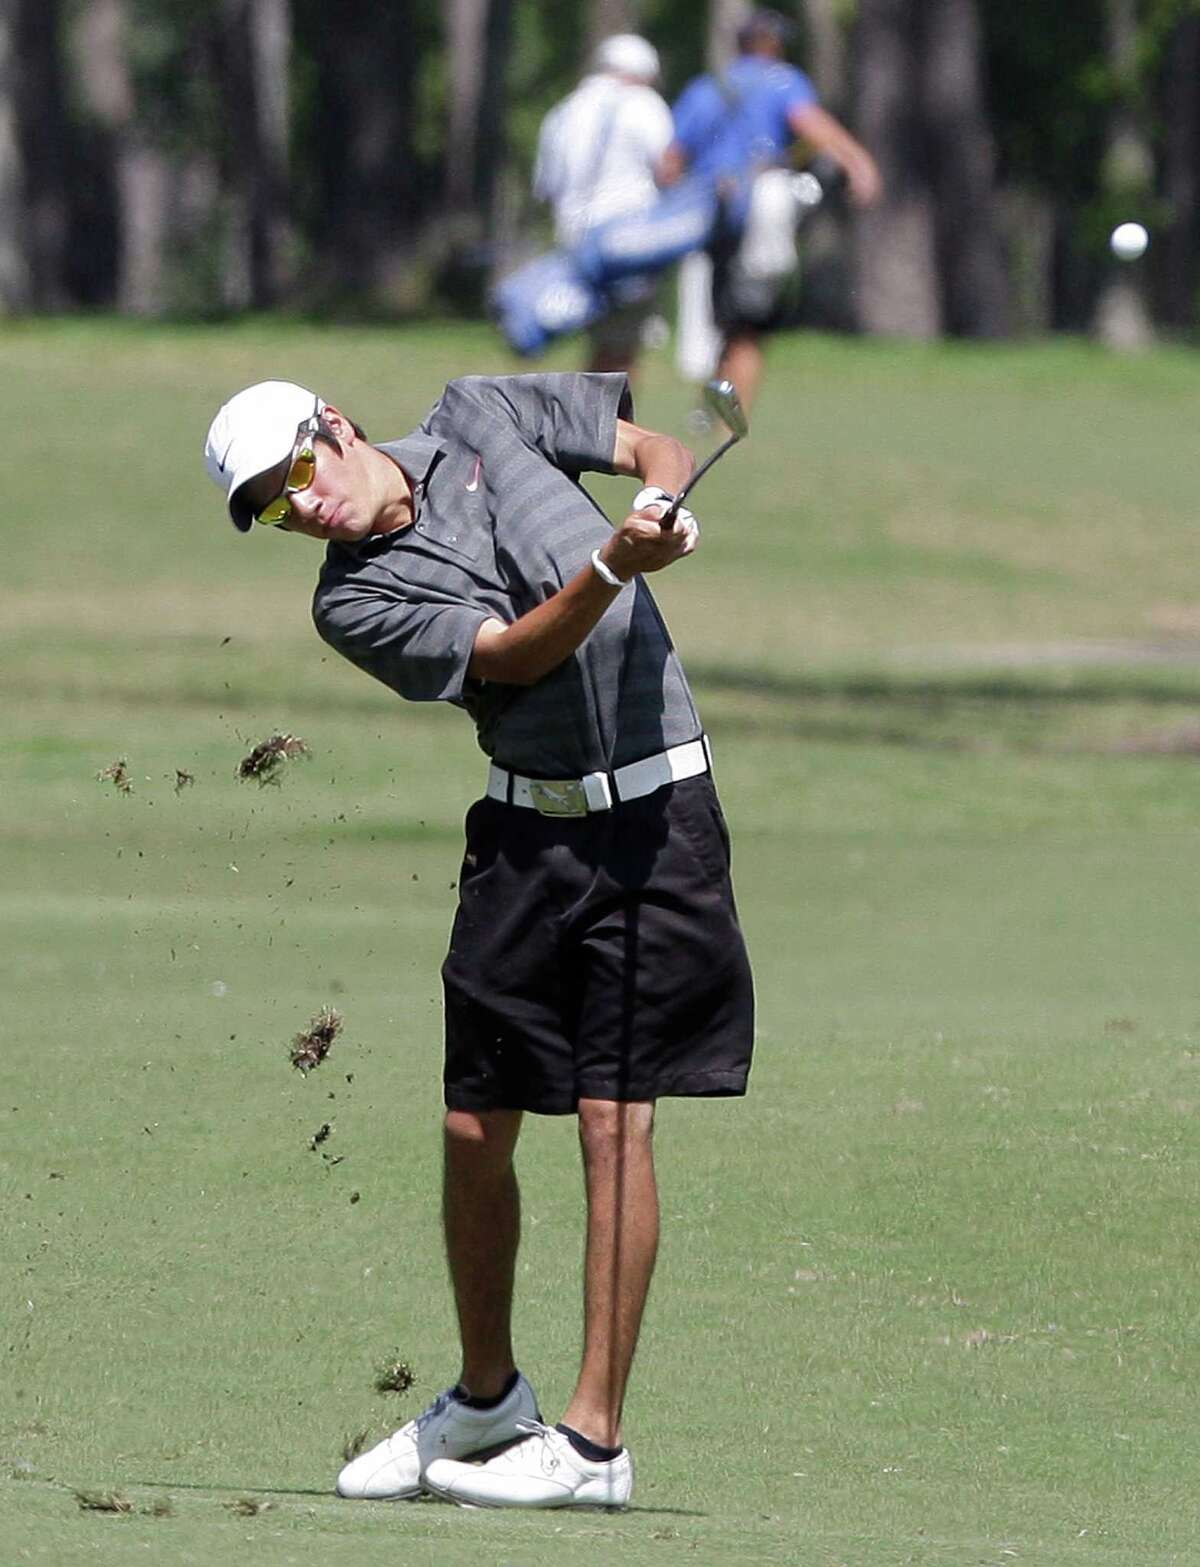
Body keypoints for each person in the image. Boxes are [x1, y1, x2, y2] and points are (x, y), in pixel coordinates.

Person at [202, 371, 755, 1510]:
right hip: (523, 829)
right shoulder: (349, 603)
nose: (299, 508)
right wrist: (615, 565)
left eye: (297, 473)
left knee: (613, 1115)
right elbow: (511, 656)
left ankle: (595, 1446)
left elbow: (654, 442)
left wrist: (661, 503)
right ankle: (491, 1392)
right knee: (472, 1123)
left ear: (337, 426)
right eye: (269, 507)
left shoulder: (482, 413)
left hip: (653, 816)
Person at [661, 7, 882, 409]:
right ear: (775, 43)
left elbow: (671, 161)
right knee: (749, 325)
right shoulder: (783, 82)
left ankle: (707, 409)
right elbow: (812, 126)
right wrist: (858, 164)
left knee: (715, 319)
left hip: (706, 217)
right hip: (755, 220)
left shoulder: (705, 87)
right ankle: (733, 418)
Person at [532, 34, 674, 375]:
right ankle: (612, 425)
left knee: (599, 341)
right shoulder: (644, 104)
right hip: (628, 238)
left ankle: (594, 419)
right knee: (623, 349)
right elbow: (669, 169)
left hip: (574, 236)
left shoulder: (565, 110)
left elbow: (545, 186)